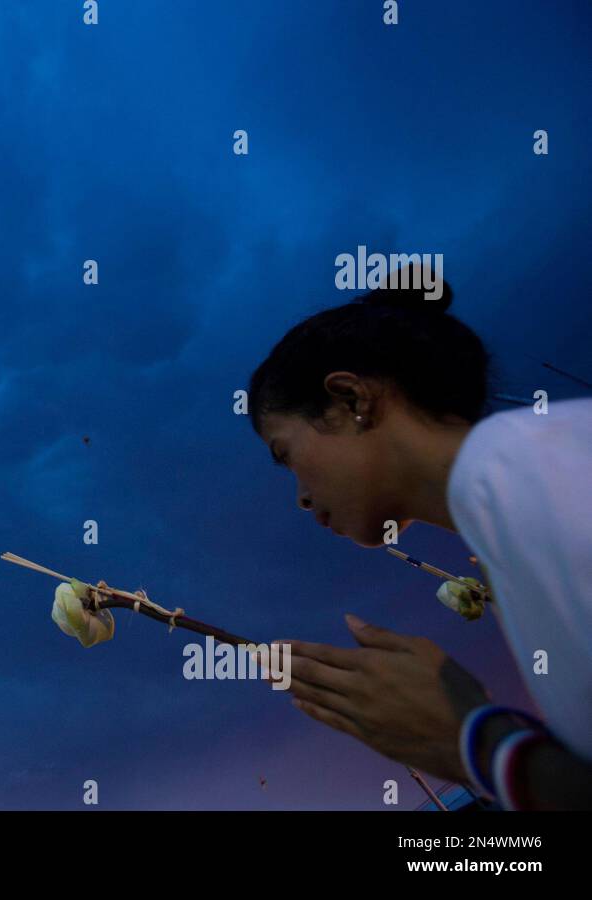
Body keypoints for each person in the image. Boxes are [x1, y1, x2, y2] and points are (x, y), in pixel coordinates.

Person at [247, 278, 592, 810]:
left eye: (286, 454)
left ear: (350, 399)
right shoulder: (510, 503)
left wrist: (474, 740)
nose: (301, 497)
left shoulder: (542, 474)